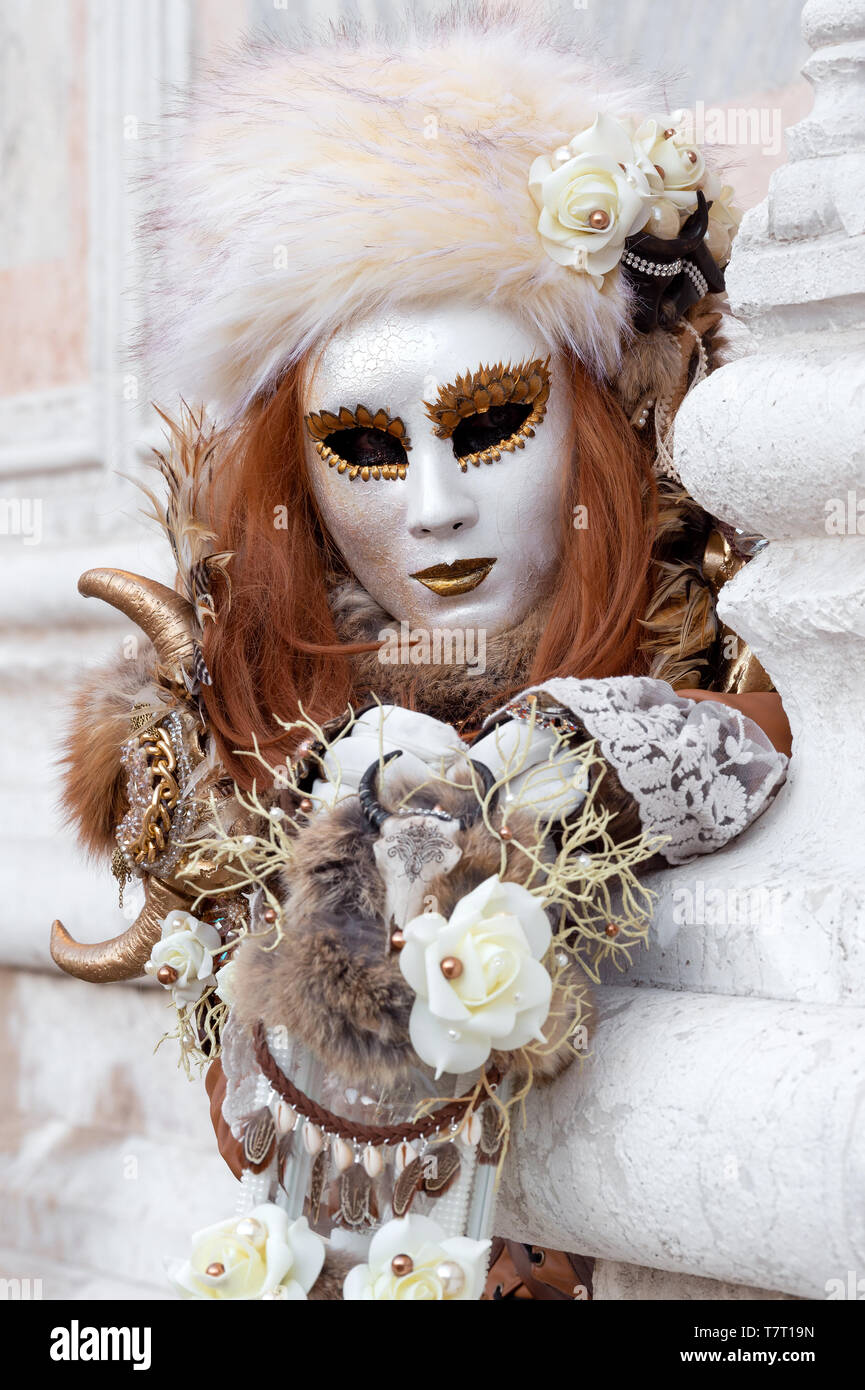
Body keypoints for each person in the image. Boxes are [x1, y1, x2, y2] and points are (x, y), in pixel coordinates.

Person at [52, 6, 790, 1301]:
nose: (436, 505)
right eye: (368, 448)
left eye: (491, 421)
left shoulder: (714, 689)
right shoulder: (258, 751)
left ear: (611, 421)